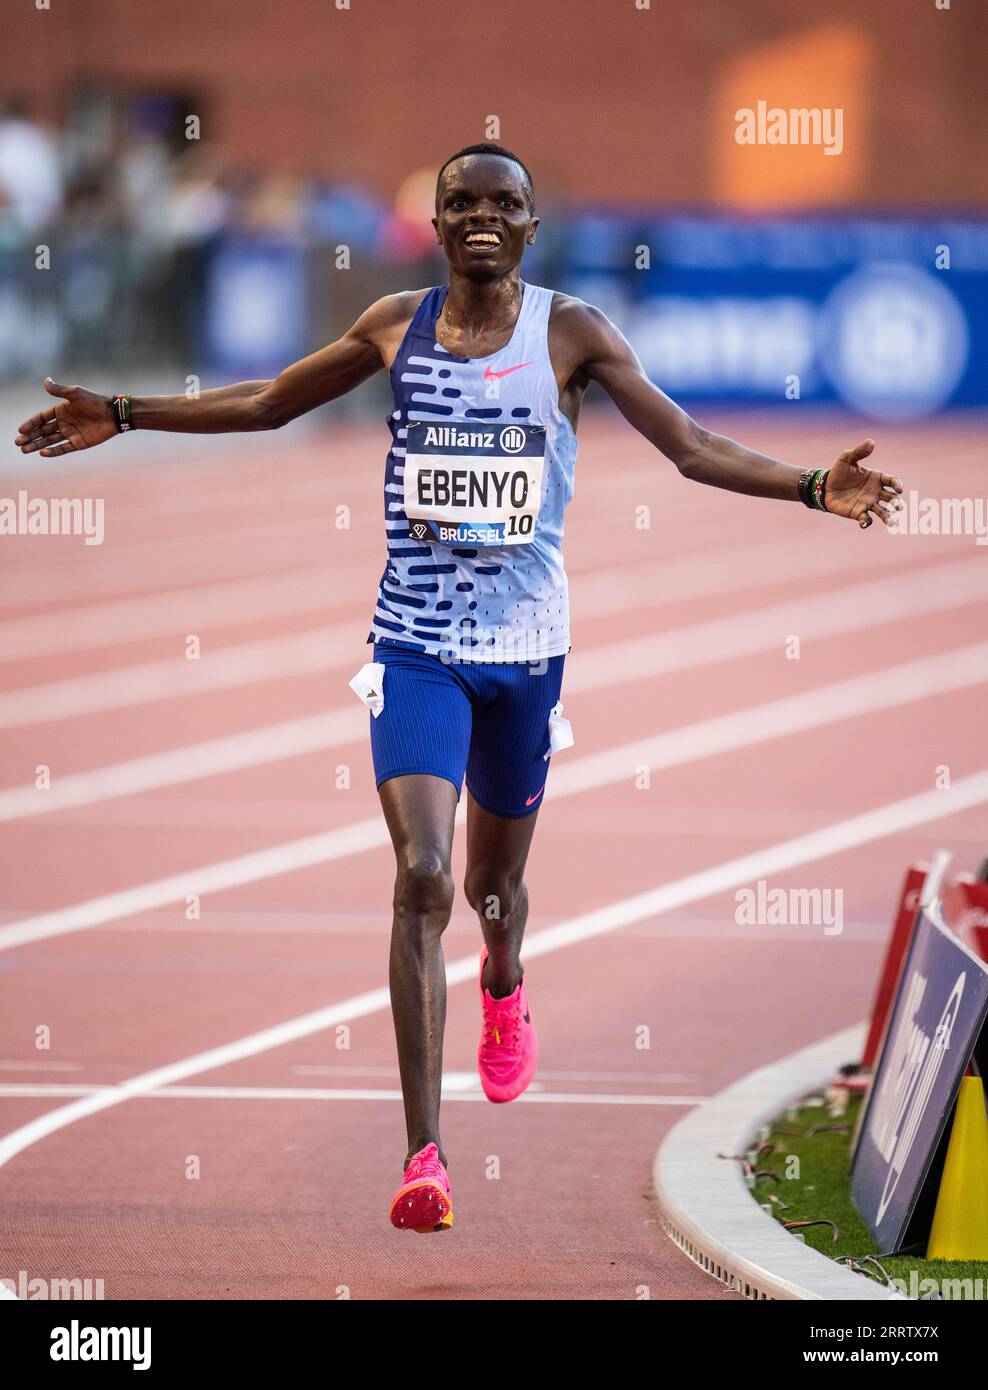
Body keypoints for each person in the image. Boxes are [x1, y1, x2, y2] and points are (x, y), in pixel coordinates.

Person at [15, 142, 903, 1234]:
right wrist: (124, 410)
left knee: (493, 889)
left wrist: (812, 486)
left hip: (526, 653)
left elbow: (687, 444)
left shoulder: (571, 333)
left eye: (504, 203)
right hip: (415, 647)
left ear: (531, 225)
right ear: (434, 224)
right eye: (461, 202)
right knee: (424, 876)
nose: (482, 216)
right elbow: (269, 402)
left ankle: (505, 979)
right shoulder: (396, 324)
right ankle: (424, 1153)